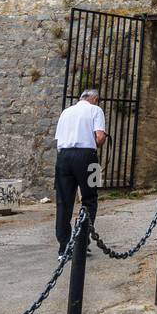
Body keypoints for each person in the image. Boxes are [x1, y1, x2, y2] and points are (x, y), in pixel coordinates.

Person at [54, 88, 107, 258]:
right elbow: (99, 138)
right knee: (90, 198)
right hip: (88, 157)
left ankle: (64, 247)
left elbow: (58, 139)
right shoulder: (96, 110)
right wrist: (101, 140)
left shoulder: (66, 112)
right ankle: (81, 242)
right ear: (95, 99)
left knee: (64, 201)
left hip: (63, 157)